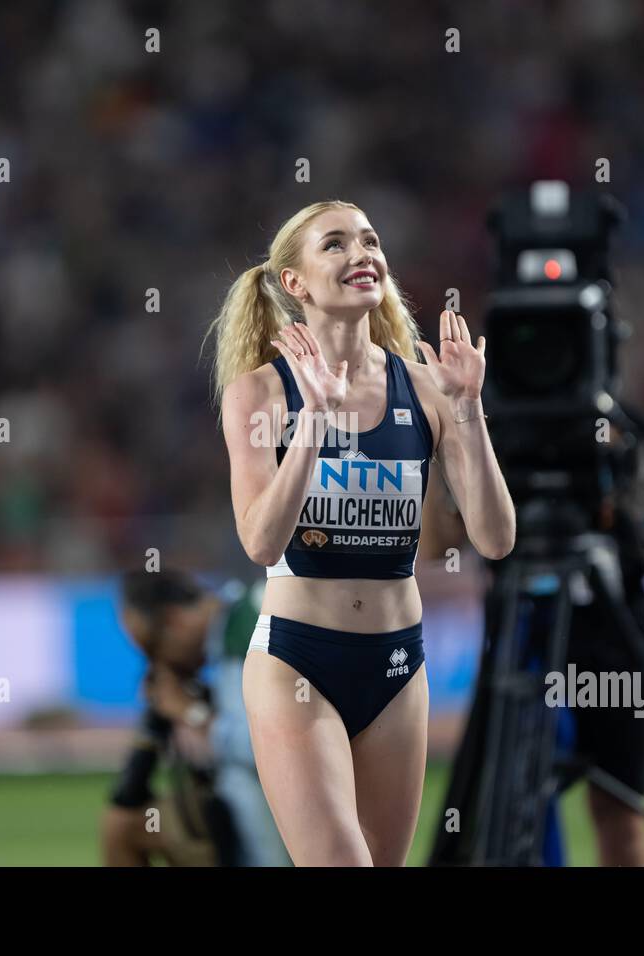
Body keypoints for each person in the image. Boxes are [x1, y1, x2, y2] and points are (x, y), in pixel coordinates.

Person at [207, 200, 516, 866]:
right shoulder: (260, 396)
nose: (362, 254)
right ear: (295, 283)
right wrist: (314, 423)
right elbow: (260, 542)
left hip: (398, 666)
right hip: (297, 661)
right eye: (336, 244)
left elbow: (494, 538)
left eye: (371, 240)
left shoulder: (429, 388)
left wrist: (468, 412)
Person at [419, 400, 644, 866]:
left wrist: (643, 492)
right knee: (516, 799)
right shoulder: (485, 428)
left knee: (620, 811)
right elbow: (436, 545)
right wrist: (441, 446)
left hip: (611, 638)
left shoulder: (624, 429)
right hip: (523, 636)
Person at [101, 568, 289, 866]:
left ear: (175, 620)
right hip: (257, 813)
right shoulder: (236, 625)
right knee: (125, 825)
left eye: (152, 649)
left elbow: (279, 745)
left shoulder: (250, 625)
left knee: (123, 827)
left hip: (283, 828)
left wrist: (192, 713)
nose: (159, 663)